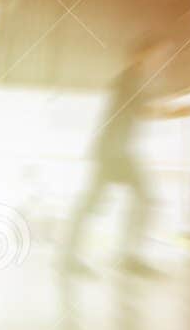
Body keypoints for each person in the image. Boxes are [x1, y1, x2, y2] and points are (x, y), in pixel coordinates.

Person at [63, 38, 170, 277]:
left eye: (162, 56)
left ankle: (120, 255)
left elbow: (145, 110)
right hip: (114, 153)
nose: (160, 61)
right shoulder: (130, 80)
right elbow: (149, 110)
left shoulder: (133, 80)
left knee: (134, 200)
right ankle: (123, 256)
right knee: (136, 199)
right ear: (140, 55)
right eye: (157, 55)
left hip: (115, 152)